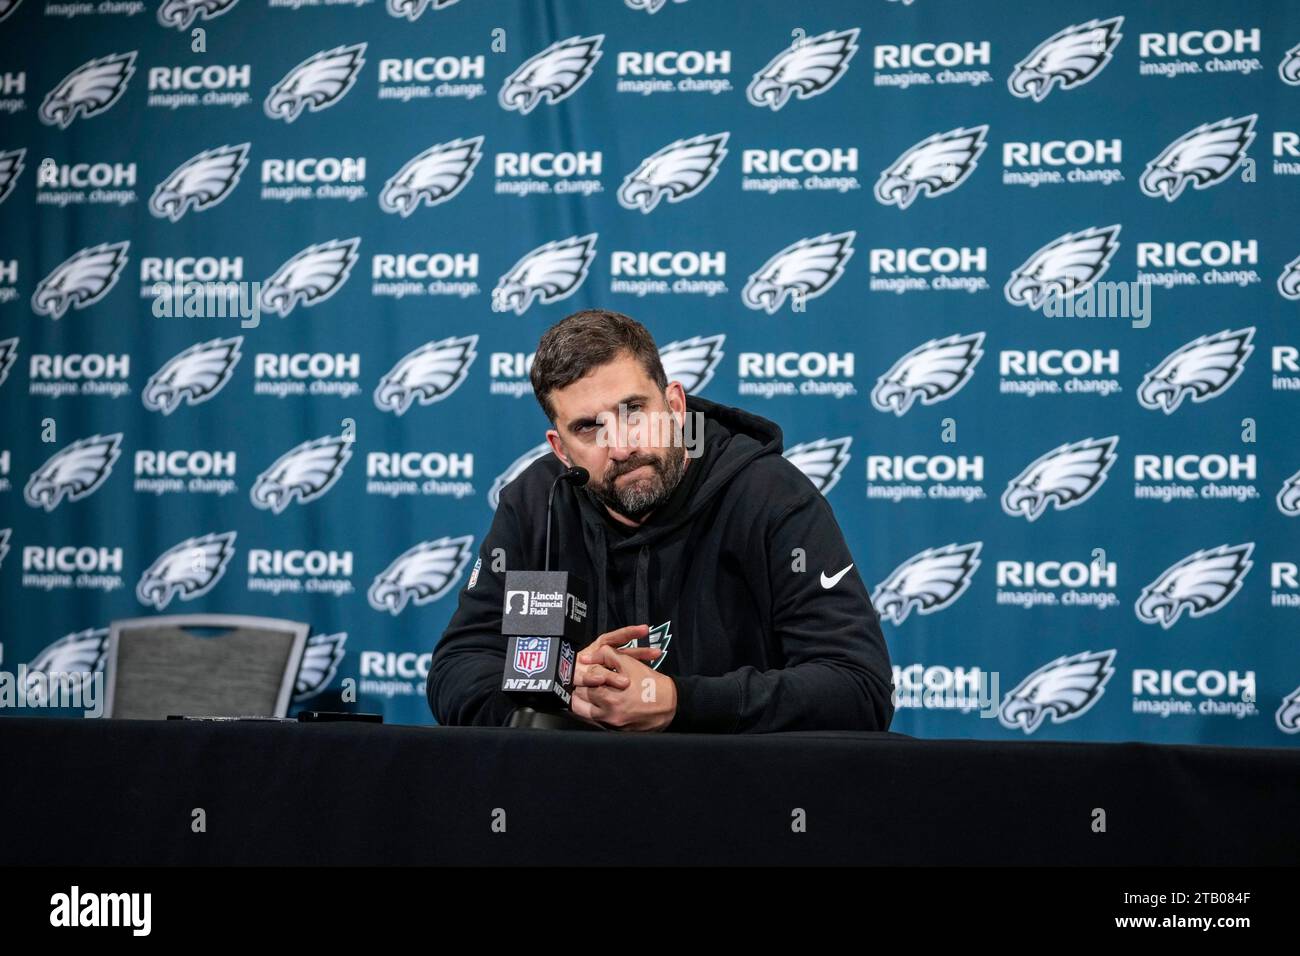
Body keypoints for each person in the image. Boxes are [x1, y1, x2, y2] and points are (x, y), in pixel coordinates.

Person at [427, 308, 895, 732]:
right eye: (589, 427)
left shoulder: (770, 496)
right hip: (578, 800)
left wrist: (675, 700)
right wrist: (562, 687)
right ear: (560, 447)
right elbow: (459, 666)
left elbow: (858, 687)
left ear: (675, 405)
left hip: (739, 803)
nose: (623, 446)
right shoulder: (537, 504)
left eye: (634, 411)